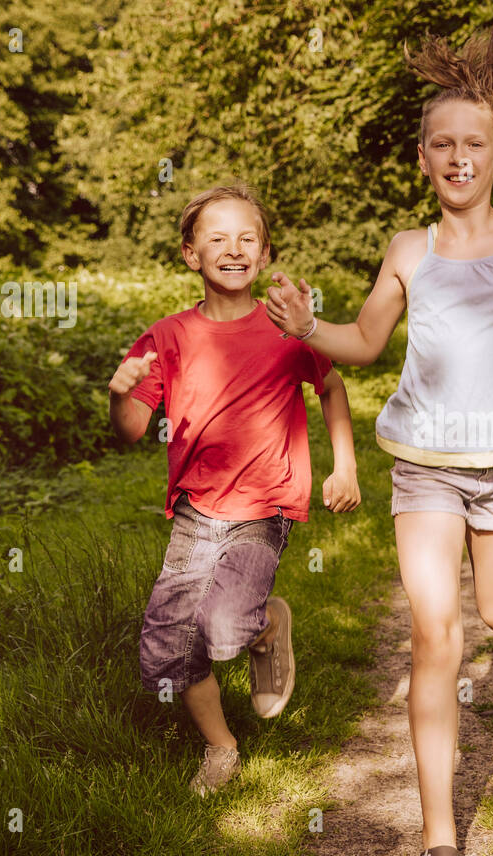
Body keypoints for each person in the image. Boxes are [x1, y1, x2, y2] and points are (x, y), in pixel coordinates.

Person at [264, 31, 493, 856]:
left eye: (473, 144)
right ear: (422, 159)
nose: (458, 157)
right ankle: (440, 840)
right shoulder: (410, 250)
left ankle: (484, 625)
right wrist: (310, 328)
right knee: (435, 635)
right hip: (424, 470)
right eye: (442, 145)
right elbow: (367, 341)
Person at [109, 183, 361, 796]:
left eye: (247, 238)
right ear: (191, 255)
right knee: (168, 650)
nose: (232, 248)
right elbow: (130, 434)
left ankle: (263, 625)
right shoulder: (165, 338)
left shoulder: (286, 328)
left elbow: (331, 389)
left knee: (221, 628)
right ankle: (221, 749)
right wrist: (120, 394)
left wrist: (344, 466)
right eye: (216, 238)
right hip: (196, 509)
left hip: (264, 504)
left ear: (265, 253)